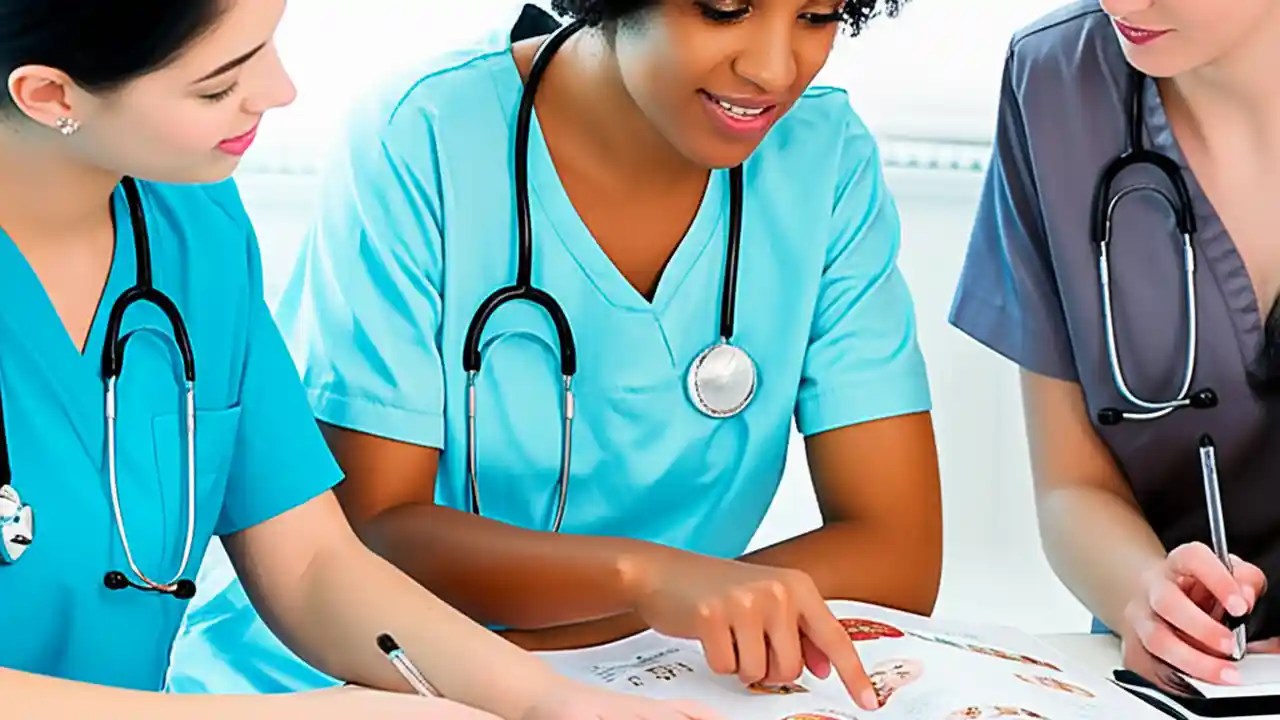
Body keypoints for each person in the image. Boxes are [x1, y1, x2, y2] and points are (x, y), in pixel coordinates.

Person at [168, 0, 944, 710]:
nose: (776, 68)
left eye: (817, 15)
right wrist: (645, 585)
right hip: (349, 681)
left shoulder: (823, 154)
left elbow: (897, 551)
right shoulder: (425, 133)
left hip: (628, 682)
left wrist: (572, 653)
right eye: (725, 9)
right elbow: (370, 535)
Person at [0, 1, 725, 718]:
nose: (280, 90)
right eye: (219, 83)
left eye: (267, 45)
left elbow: (313, 566)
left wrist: (556, 704)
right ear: (50, 95)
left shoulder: (196, 227)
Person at [949, 0, 1280, 691]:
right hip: (1191, 686)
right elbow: (1072, 483)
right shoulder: (1055, 82)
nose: (1122, 3)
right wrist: (1146, 602)